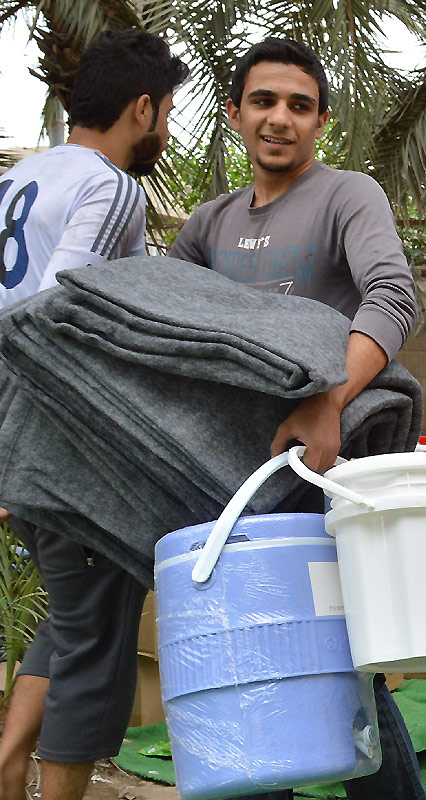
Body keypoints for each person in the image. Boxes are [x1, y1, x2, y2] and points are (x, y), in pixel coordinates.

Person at [169, 38, 424, 800]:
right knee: (248, 667)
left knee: (346, 661)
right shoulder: (207, 225)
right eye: (264, 101)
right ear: (234, 113)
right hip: (233, 487)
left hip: (322, 476)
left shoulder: (349, 195)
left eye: (299, 106)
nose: (280, 118)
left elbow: (394, 295)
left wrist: (326, 402)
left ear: (321, 123)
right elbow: (163, 320)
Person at [0, 30, 188, 800]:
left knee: (76, 617)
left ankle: (9, 763)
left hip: (15, 433)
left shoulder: (22, 179)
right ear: (140, 108)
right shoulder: (111, 187)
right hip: (63, 442)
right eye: (167, 114)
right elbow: (60, 310)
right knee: (97, 639)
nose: (167, 134)